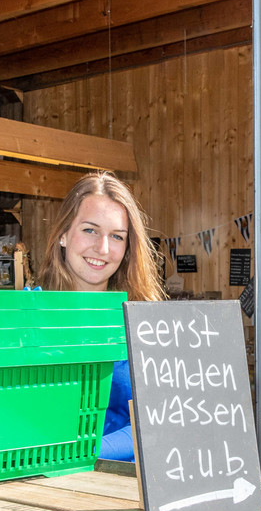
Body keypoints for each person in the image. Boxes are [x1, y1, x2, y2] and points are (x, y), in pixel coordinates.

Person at [36, 171, 165, 461]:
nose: (102, 248)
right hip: (34, 485)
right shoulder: (30, 314)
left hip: (119, 488)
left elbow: (158, 420)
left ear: (127, 248)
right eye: (90, 230)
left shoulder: (143, 322)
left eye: (117, 236)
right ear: (63, 235)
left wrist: (81, 454)